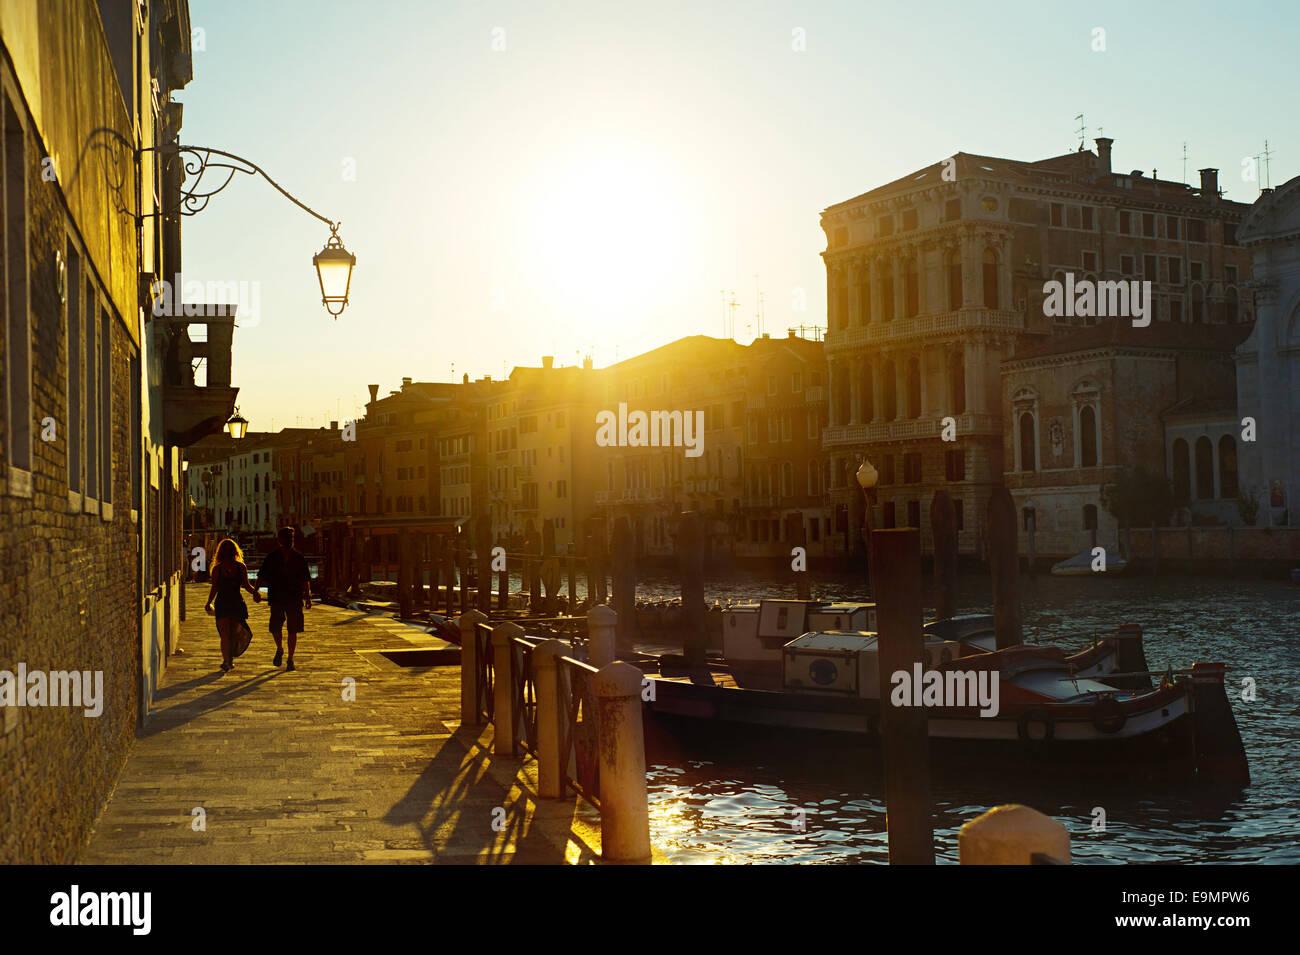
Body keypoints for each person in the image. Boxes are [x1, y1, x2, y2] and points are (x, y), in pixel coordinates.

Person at [260, 526, 312, 671]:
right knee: (275, 627)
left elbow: (305, 579)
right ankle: (280, 648)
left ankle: (290, 658)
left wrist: (308, 597)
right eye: (288, 537)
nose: (291, 540)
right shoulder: (272, 557)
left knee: (293, 629)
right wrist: (256, 591)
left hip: (294, 597)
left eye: (292, 537)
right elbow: (261, 574)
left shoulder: (299, 557)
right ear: (281, 540)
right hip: (276, 596)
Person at [204, 538, 260, 673]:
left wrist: (208, 602)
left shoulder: (217, 569)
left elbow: (215, 588)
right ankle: (229, 660)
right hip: (236, 603)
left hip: (222, 603)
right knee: (233, 634)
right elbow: (246, 585)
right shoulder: (241, 567)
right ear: (235, 551)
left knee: (224, 634)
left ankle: (226, 661)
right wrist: (256, 593)